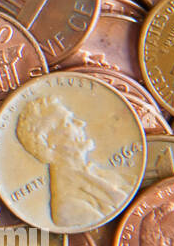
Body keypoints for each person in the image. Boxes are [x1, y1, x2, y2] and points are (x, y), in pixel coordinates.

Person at [13, 94, 127, 228]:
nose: (81, 123)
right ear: (48, 143)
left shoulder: (103, 175)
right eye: (69, 122)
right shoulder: (68, 209)